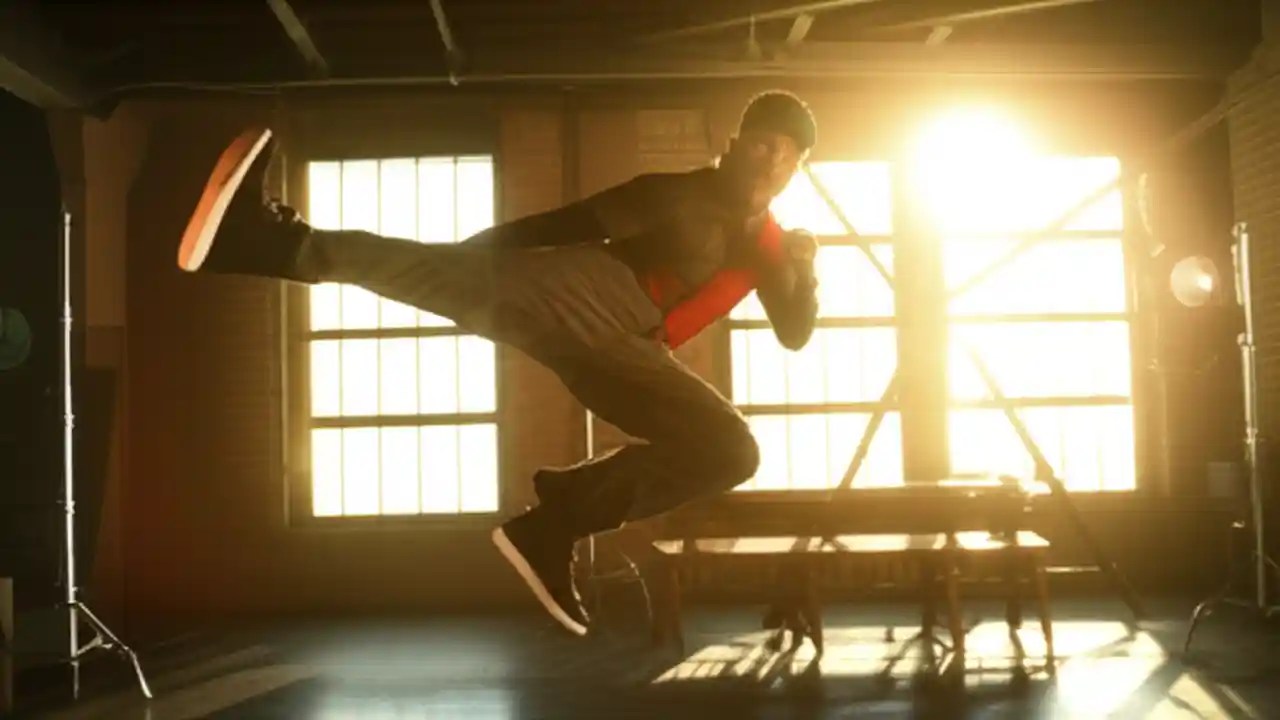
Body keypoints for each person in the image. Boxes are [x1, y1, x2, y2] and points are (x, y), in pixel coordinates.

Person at [177, 91, 820, 637]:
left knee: (731, 450)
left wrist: (804, 271)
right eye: (765, 145)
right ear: (736, 143)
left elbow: (794, 333)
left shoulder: (768, 245)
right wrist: (475, 257)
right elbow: (566, 224)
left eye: (789, 157)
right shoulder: (678, 194)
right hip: (584, 294)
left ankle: (556, 524)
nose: (774, 163)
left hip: (630, 351)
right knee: (433, 273)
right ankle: (261, 239)